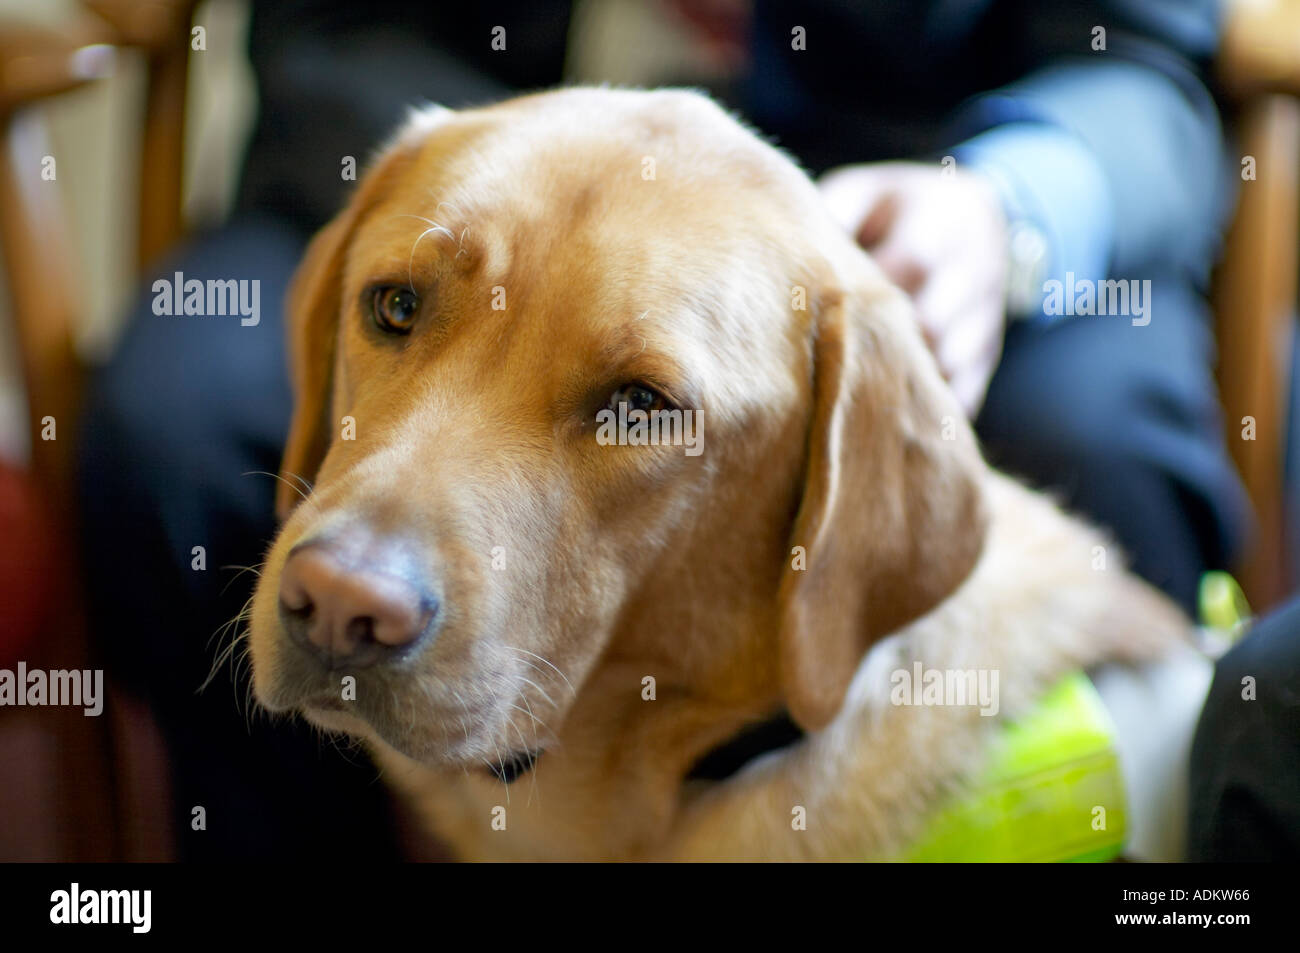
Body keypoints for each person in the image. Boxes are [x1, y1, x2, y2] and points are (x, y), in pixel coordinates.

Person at [78, 0, 1250, 858]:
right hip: (485, 165)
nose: (347, 580)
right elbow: (342, 39)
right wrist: (476, 174)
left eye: (630, 400)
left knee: (1106, 435)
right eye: (389, 315)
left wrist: (1006, 209)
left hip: (926, 195)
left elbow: (1141, 65)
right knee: (170, 425)